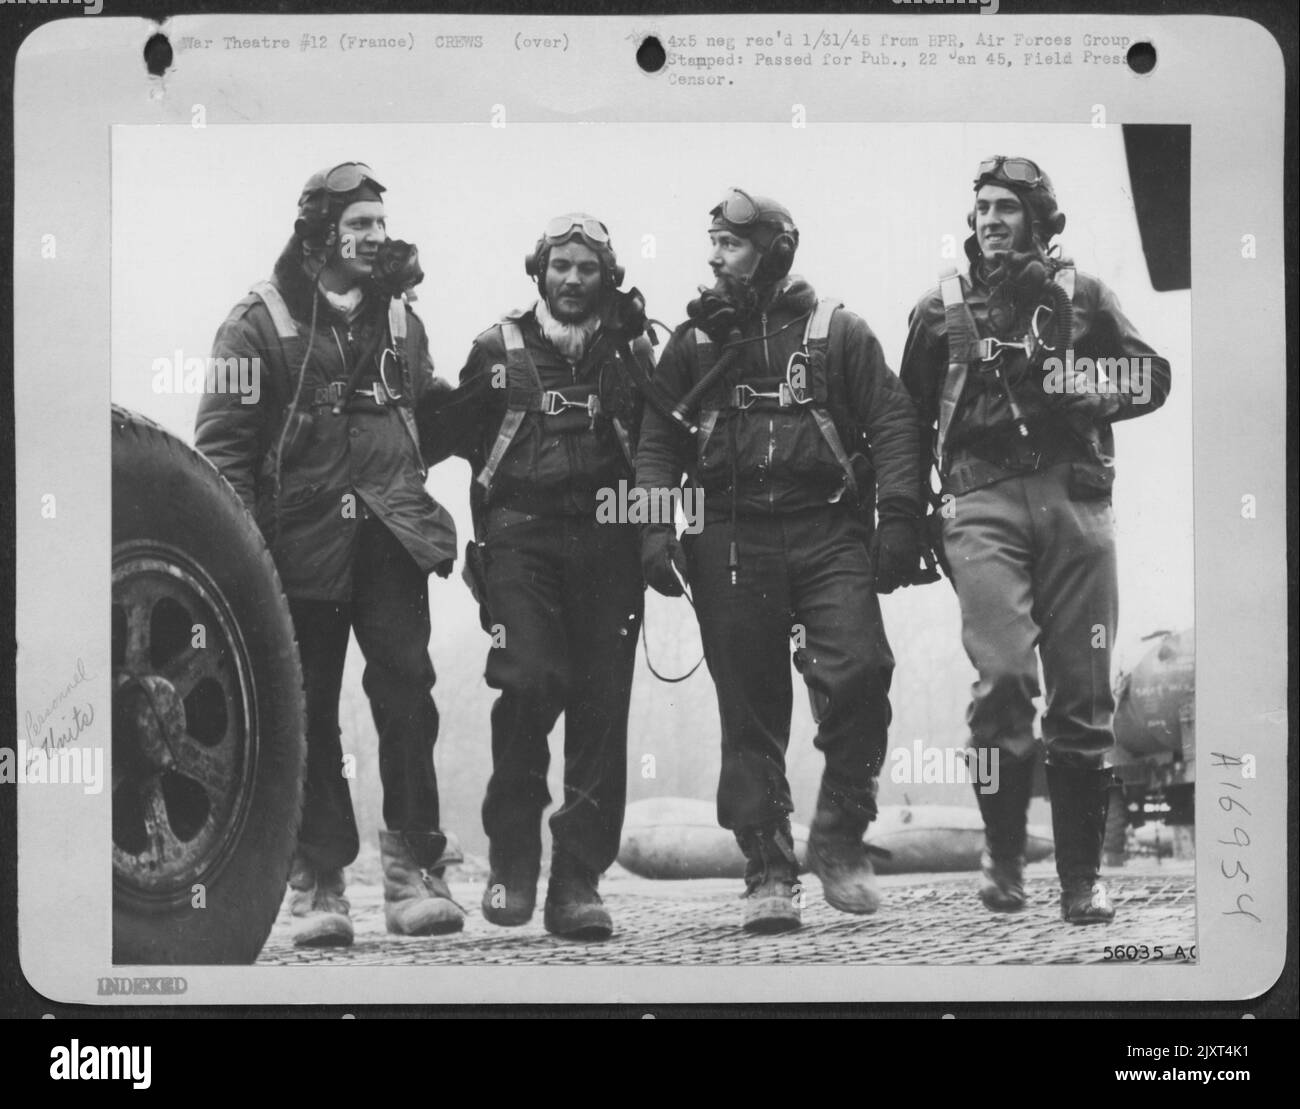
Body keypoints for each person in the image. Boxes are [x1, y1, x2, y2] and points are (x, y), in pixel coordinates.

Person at [635, 189, 925, 933]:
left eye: (730, 244)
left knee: (861, 669)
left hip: (828, 529)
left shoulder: (837, 332)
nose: (714, 257)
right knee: (750, 710)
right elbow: (656, 441)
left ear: (773, 250)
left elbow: (893, 420)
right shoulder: (696, 345)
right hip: (729, 536)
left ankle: (840, 831)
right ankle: (768, 868)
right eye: (713, 244)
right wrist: (652, 528)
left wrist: (899, 517)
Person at [195, 162, 464, 946]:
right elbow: (223, 452)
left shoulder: (405, 322)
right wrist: (248, 565)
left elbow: (420, 419)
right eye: (361, 227)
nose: (377, 239)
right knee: (307, 710)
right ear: (321, 236)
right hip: (298, 549)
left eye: (382, 224)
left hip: (389, 539)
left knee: (409, 695)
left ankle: (416, 869)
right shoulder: (258, 322)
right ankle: (318, 881)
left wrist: (476, 398)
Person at [899, 155, 1171, 924]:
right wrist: (906, 519)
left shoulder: (1083, 297)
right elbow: (903, 423)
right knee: (1006, 680)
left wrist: (1093, 388)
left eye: (1007, 208)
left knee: (1084, 697)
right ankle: (1006, 851)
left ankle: (1082, 878)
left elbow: (1151, 374)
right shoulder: (937, 310)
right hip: (980, 502)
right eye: (981, 206)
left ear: (1039, 219)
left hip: (1075, 499)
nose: (990, 219)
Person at [428, 215, 647, 940]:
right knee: (528, 679)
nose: (574, 280)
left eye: (588, 267)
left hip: (611, 542)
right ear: (539, 273)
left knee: (601, 705)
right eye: (562, 267)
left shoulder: (633, 348)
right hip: (519, 539)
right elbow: (433, 435)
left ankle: (577, 880)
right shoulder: (496, 350)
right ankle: (513, 860)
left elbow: (669, 441)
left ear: (607, 278)